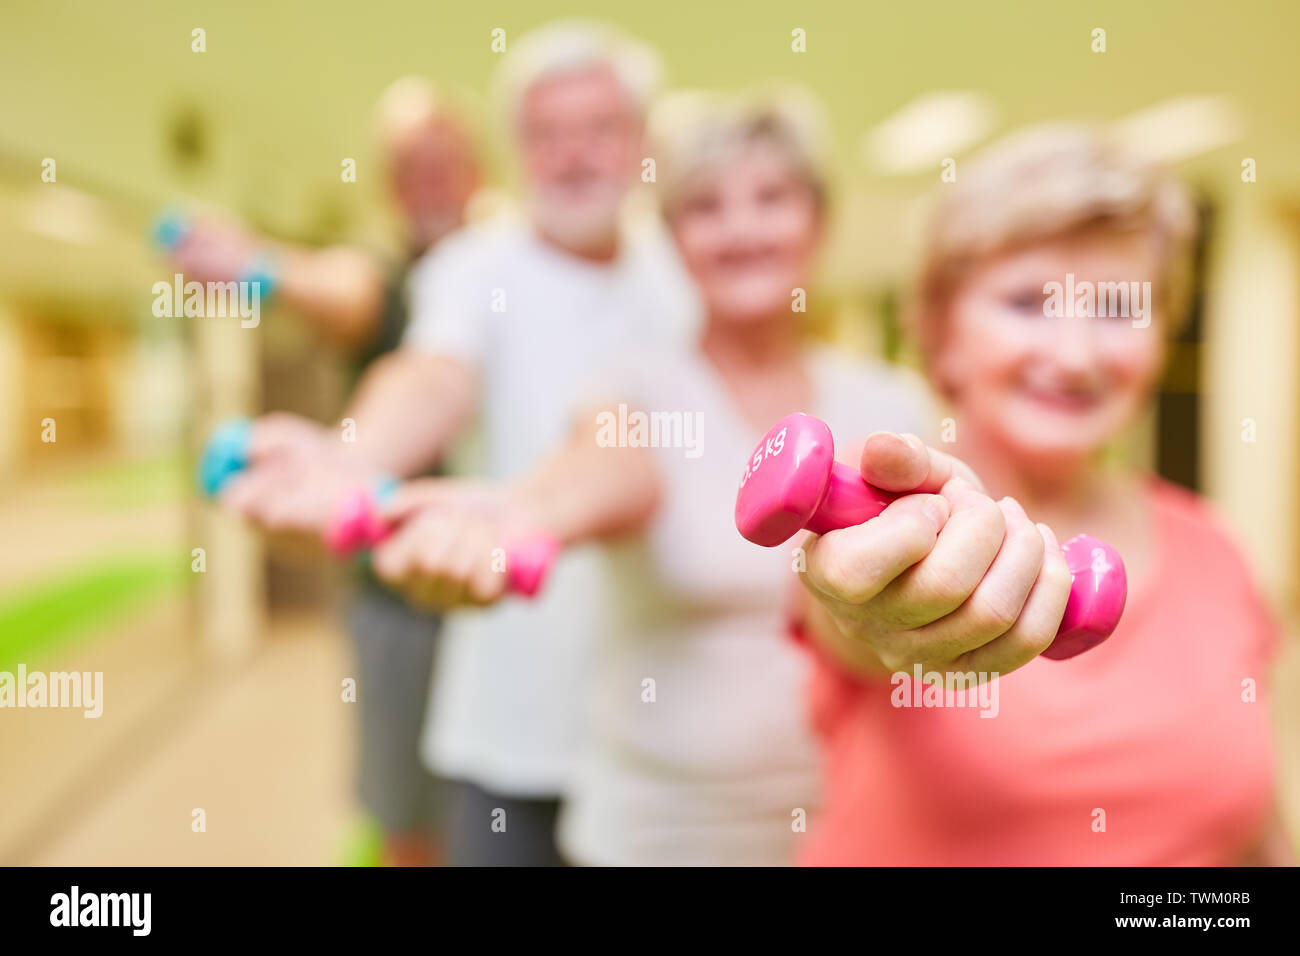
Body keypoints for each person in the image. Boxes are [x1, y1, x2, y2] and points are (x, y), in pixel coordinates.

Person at [369, 91, 933, 864]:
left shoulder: (890, 405)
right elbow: (603, 467)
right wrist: (523, 513)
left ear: (820, 220)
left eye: (772, 198)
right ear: (671, 238)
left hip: (851, 825)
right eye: (705, 206)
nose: (740, 230)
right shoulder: (636, 389)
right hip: (655, 830)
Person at [220, 21, 699, 866]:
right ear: (517, 154)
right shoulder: (474, 270)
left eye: (598, 128)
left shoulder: (684, 271)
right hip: (507, 718)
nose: (573, 154)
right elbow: (433, 377)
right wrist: (350, 459)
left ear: (640, 143)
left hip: (665, 721)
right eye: (546, 134)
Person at [790, 125, 1290, 865]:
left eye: (1120, 308)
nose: (1076, 354)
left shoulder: (1216, 547)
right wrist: (878, 605)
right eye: (1027, 303)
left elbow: (1257, 825)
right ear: (940, 332)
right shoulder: (884, 517)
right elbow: (849, 620)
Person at [178, 78, 481, 866]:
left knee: (499, 810)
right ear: (388, 188)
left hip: (515, 585)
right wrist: (263, 269)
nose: (431, 182)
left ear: (478, 171)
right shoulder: (384, 277)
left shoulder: (509, 267)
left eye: (445, 162)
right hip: (401, 601)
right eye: (411, 168)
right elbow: (341, 289)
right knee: (408, 812)